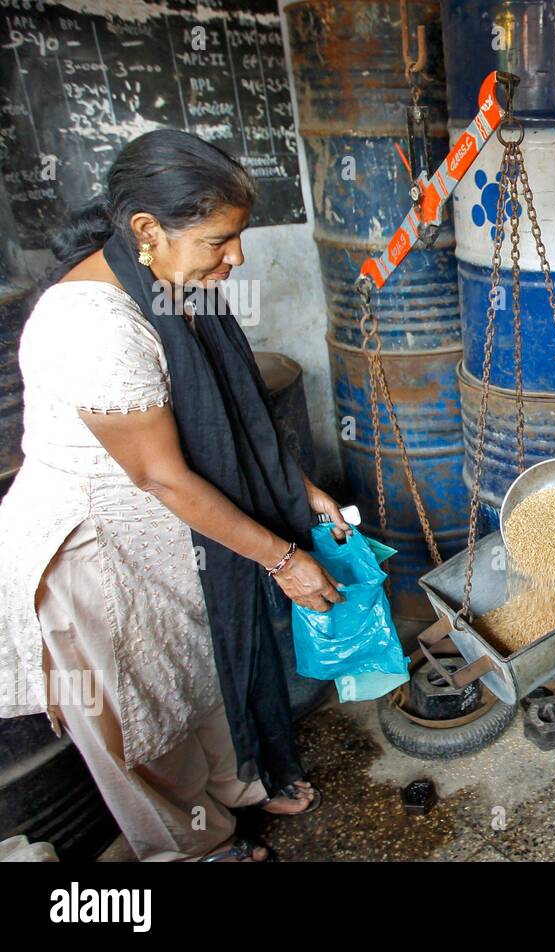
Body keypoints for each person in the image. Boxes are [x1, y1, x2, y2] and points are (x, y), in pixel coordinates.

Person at [0, 129, 351, 862]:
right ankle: (195, 848)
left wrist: (301, 488)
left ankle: (238, 785)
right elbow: (161, 474)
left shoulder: (176, 284)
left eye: (240, 236)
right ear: (147, 230)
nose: (237, 258)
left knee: (204, 670)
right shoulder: (91, 327)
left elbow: (228, 422)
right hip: (97, 558)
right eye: (221, 240)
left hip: (177, 539)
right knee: (139, 718)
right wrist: (283, 559)